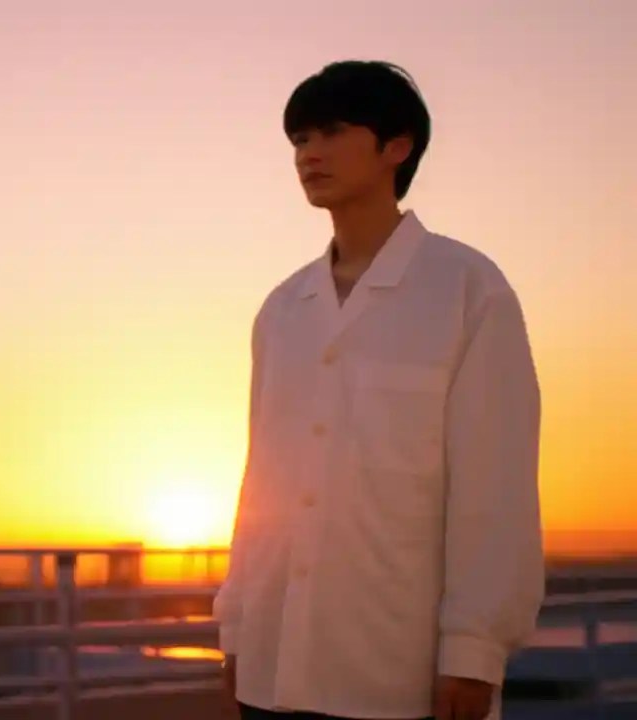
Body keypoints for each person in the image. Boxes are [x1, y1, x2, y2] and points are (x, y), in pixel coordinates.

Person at [212, 61, 544, 720]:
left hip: (396, 673)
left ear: (398, 146)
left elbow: (495, 487)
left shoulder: (467, 290)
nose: (309, 154)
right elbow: (262, 483)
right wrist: (238, 627)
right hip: (273, 669)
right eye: (300, 139)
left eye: (332, 132)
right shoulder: (283, 309)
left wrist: (473, 651)